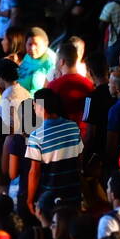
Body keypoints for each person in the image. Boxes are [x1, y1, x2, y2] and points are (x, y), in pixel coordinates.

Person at [25, 89, 83, 224]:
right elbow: (79, 159)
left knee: (53, 229)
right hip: (73, 191)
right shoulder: (73, 127)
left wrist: (29, 199)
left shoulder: (36, 135)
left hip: (50, 196)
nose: (34, 109)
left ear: (41, 107)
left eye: (34, 105)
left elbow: (34, 172)